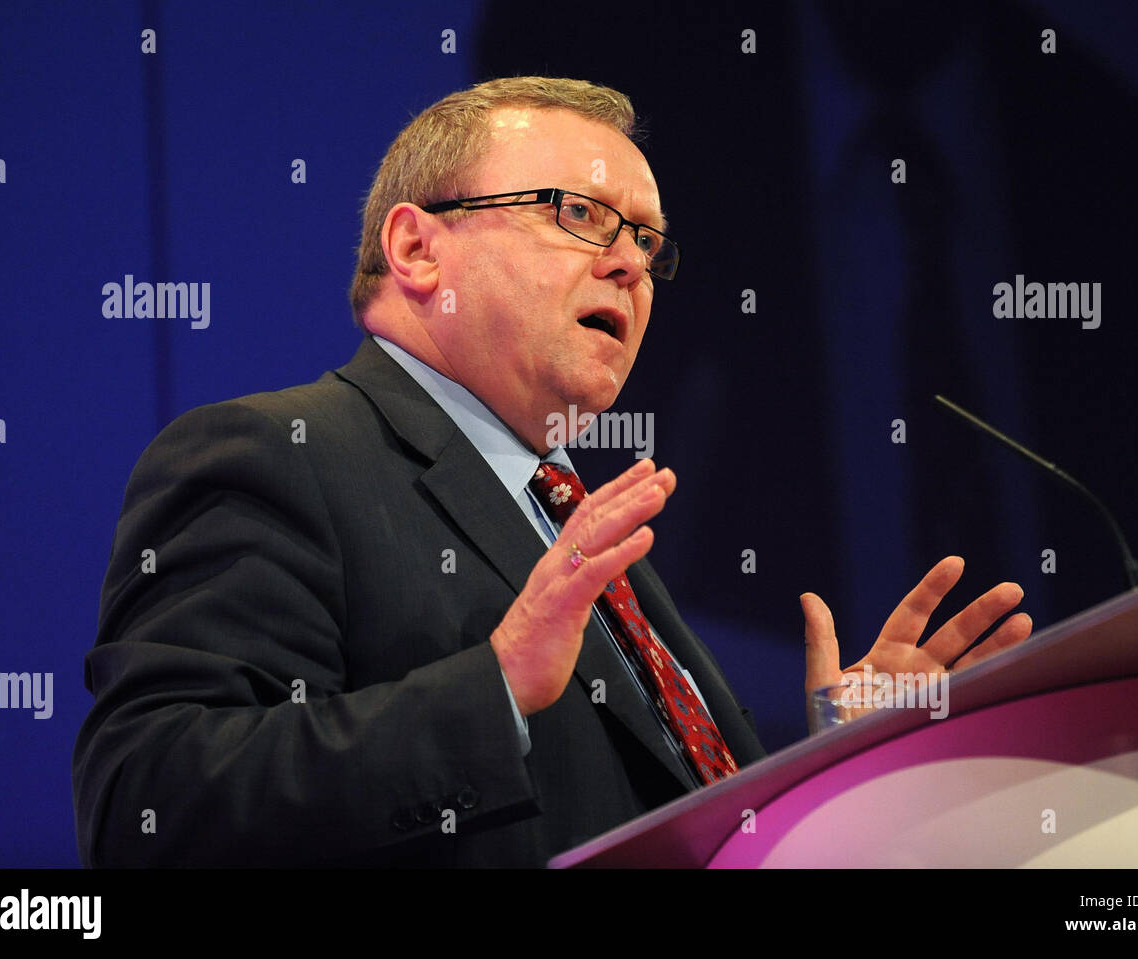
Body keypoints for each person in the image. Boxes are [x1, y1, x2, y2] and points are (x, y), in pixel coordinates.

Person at [72, 77, 1031, 868]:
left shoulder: (578, 524)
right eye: (581, 215)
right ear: (416, 248)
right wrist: (490, 688)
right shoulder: (277, 455)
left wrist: (831, 770)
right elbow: (146, 807)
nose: (631, 267)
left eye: (647, 242)